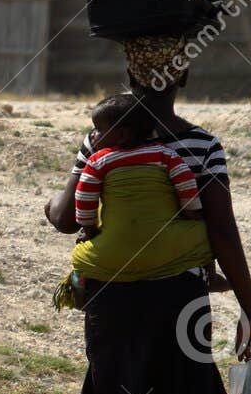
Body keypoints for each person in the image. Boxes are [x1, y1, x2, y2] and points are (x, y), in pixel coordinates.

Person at [44, 33, 251, 394]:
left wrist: (88, 155)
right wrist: (248, 309)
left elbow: (63, 217)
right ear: (182, 78)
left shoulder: (101, 143)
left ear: (129, 76)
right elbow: (221, 230)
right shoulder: (199, 146)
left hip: (110, 301)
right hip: (180, 302)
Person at [53, 93, 207, 309]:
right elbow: (185, 182)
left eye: (99, 130)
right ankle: (210, 276)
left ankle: (78, 289)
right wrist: (192, 212)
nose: (94, 135)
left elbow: (85, 195)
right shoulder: (165, 154)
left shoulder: (98, 160)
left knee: (81, 259)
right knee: (204, 237)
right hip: (164, 249)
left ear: (123, 135)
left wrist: (88, 228)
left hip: (115, 250)